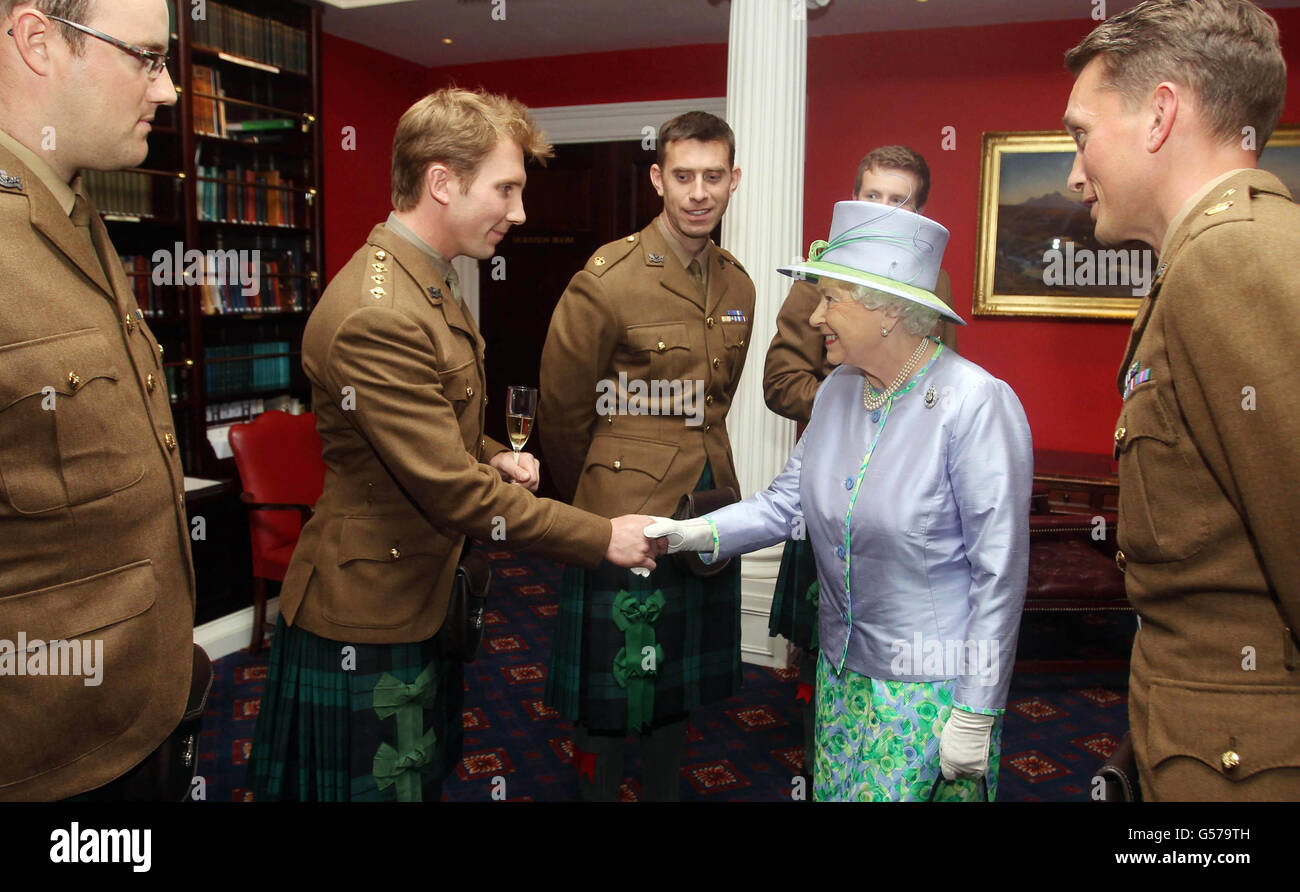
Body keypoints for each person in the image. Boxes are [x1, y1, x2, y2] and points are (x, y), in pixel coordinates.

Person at [246, 88, 664, 803]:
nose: (520, 212)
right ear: (442, 181)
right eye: (505, 189)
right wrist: (602, 536)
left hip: (419, 589)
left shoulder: (427, 279)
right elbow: (450, 489)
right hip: (367, 609)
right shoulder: (379, 312)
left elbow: (444, 427)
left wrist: (492, 450)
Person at [649, 201, 1033, 801]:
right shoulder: (835, 394)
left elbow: (999, 575)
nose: (817, 316)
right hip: (839, 676)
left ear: (886, 313)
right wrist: (688, 533)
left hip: (930, 694)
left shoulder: (976, 404)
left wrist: (978, 707)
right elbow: (784, 505)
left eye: (831, 300)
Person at [1063, 0, 1299, 800]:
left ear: (1160, 114)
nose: (1072, 172)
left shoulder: (1233, 259)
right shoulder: (1206, 256)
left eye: (1080, 135)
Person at [0, 0, 195, 802]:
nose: (172, 90)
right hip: (46, 754)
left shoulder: (75, 211)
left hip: (132, 712)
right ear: (39, 42)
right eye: (147, 57)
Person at [538, 111, 754, 801]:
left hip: (705, 512)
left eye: (713, 177)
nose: (698, 192)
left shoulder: (738, 284)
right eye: (683, 175)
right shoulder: (607, 277)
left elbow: (714, 408)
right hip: (622, 516)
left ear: (733, 180)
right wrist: (590, 505)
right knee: (610, 697)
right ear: (658, 178)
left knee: (674, 690)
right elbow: (564, 412)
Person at [761, 144, 961, 784]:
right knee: (828, 641)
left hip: (901, 497)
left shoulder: (939, 283)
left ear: (920, 209)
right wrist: (852, 409)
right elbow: (780, 379)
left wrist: (901, 414)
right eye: (871, 198)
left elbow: (935, 384)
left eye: (897, 201)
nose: (882, 213)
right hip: (829, 486)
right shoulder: (822, 273)